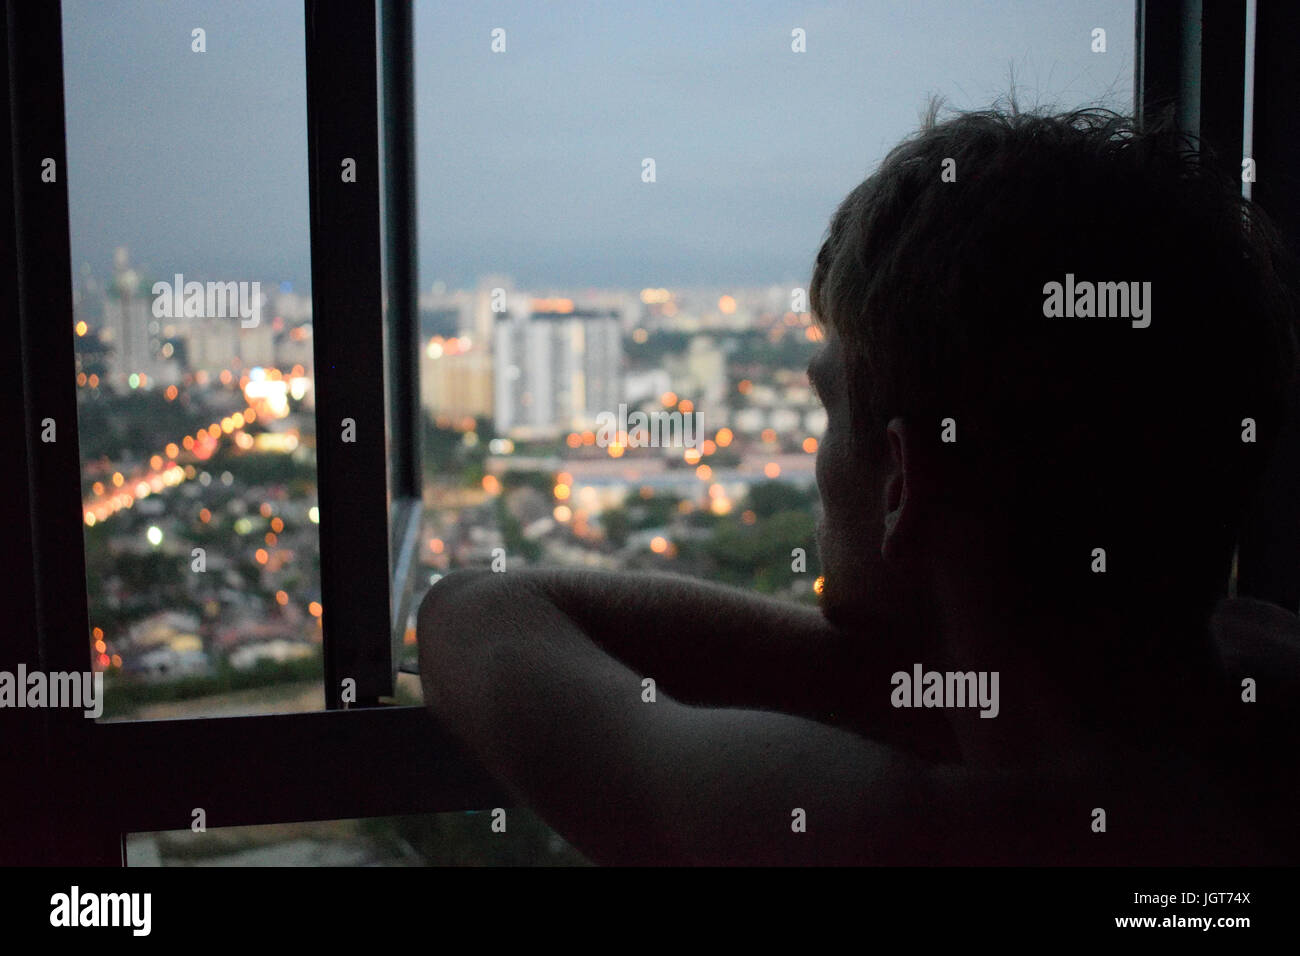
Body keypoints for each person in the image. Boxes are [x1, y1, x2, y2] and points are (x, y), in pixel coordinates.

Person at [418, 103, 1300, 865]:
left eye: (828, 410)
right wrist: (958, 664)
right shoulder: (1257, 668)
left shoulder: (909, 840)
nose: (816, 457)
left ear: (900, 485)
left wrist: (903, 670)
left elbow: (472, 617)